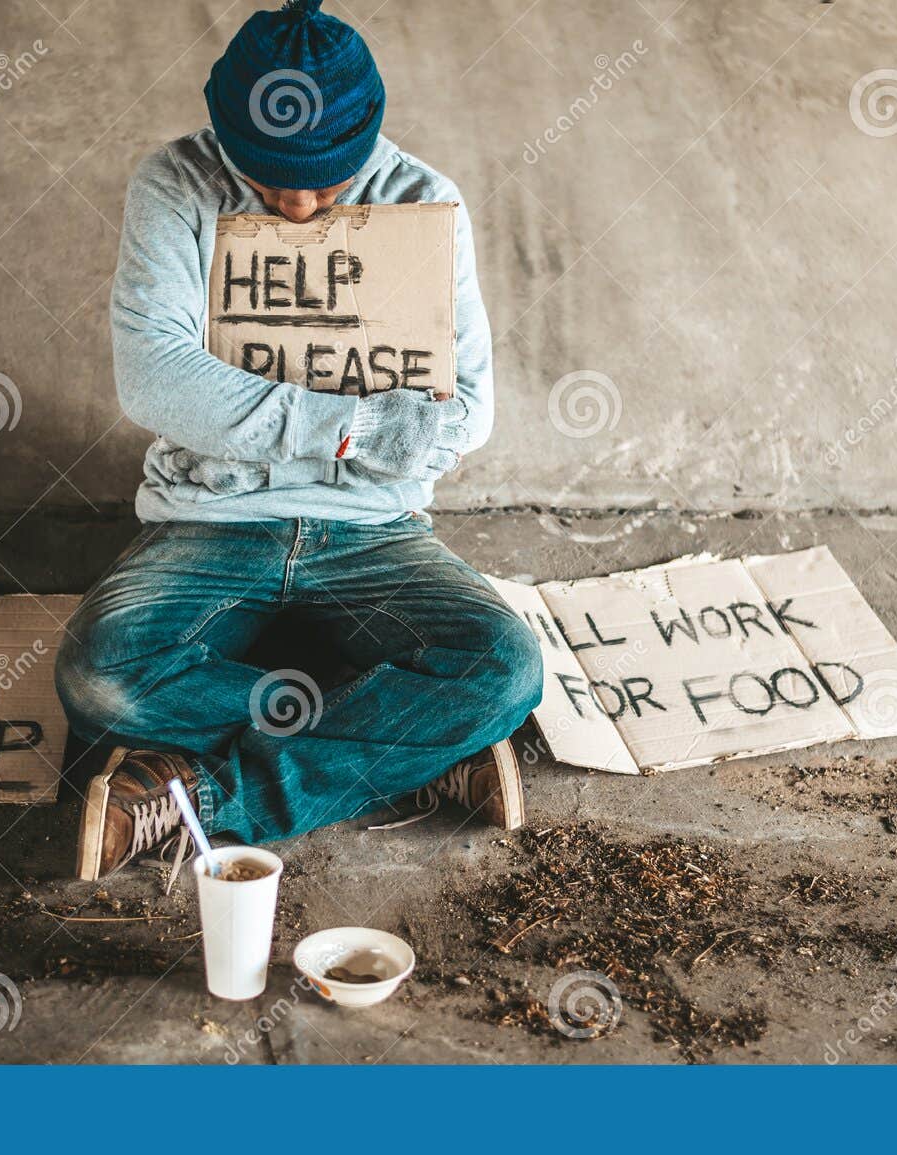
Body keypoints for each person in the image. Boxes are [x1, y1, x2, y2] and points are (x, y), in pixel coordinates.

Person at [55, 0, 543, 880]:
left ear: (368, 136)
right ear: (226, 129)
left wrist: (248, 410)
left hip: (376, 535)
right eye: (272, 175)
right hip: (207, 522)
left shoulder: (424, 201)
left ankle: (201, 798)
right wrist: (359, 422)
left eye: (327, 178)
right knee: (99, 674)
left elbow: (468, 411)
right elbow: (156, 379)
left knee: (503, 670)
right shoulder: (173, 185)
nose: (300, 203)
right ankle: (413, 748)